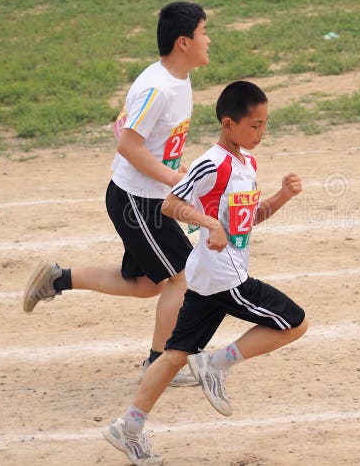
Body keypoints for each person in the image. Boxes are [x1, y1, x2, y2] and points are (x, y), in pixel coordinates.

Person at [101, 81, 309, 465]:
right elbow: (171, 204)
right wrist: (209, 223)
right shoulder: (212, 163)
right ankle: (215, 364)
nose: (261, 133)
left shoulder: (246, 163)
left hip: (208, 277)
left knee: (173, 356)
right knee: (295, 322)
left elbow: (246, 221)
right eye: (255, 125)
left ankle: (127, 428)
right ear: (229, 124)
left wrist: (282, 196)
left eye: (265, 124)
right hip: (224, 277)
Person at [22, 1, 210, 386]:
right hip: (138, 201)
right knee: (183, 277)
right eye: (204, 33)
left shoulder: (177, 80)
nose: (209, 40)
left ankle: (56, 279)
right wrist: (173, 180)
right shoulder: (158, 87)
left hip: (143, 195)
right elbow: (126, 143)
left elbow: (140, 135)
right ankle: (158, 366)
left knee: (146, 284)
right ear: (183, 42)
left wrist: (175, 170)